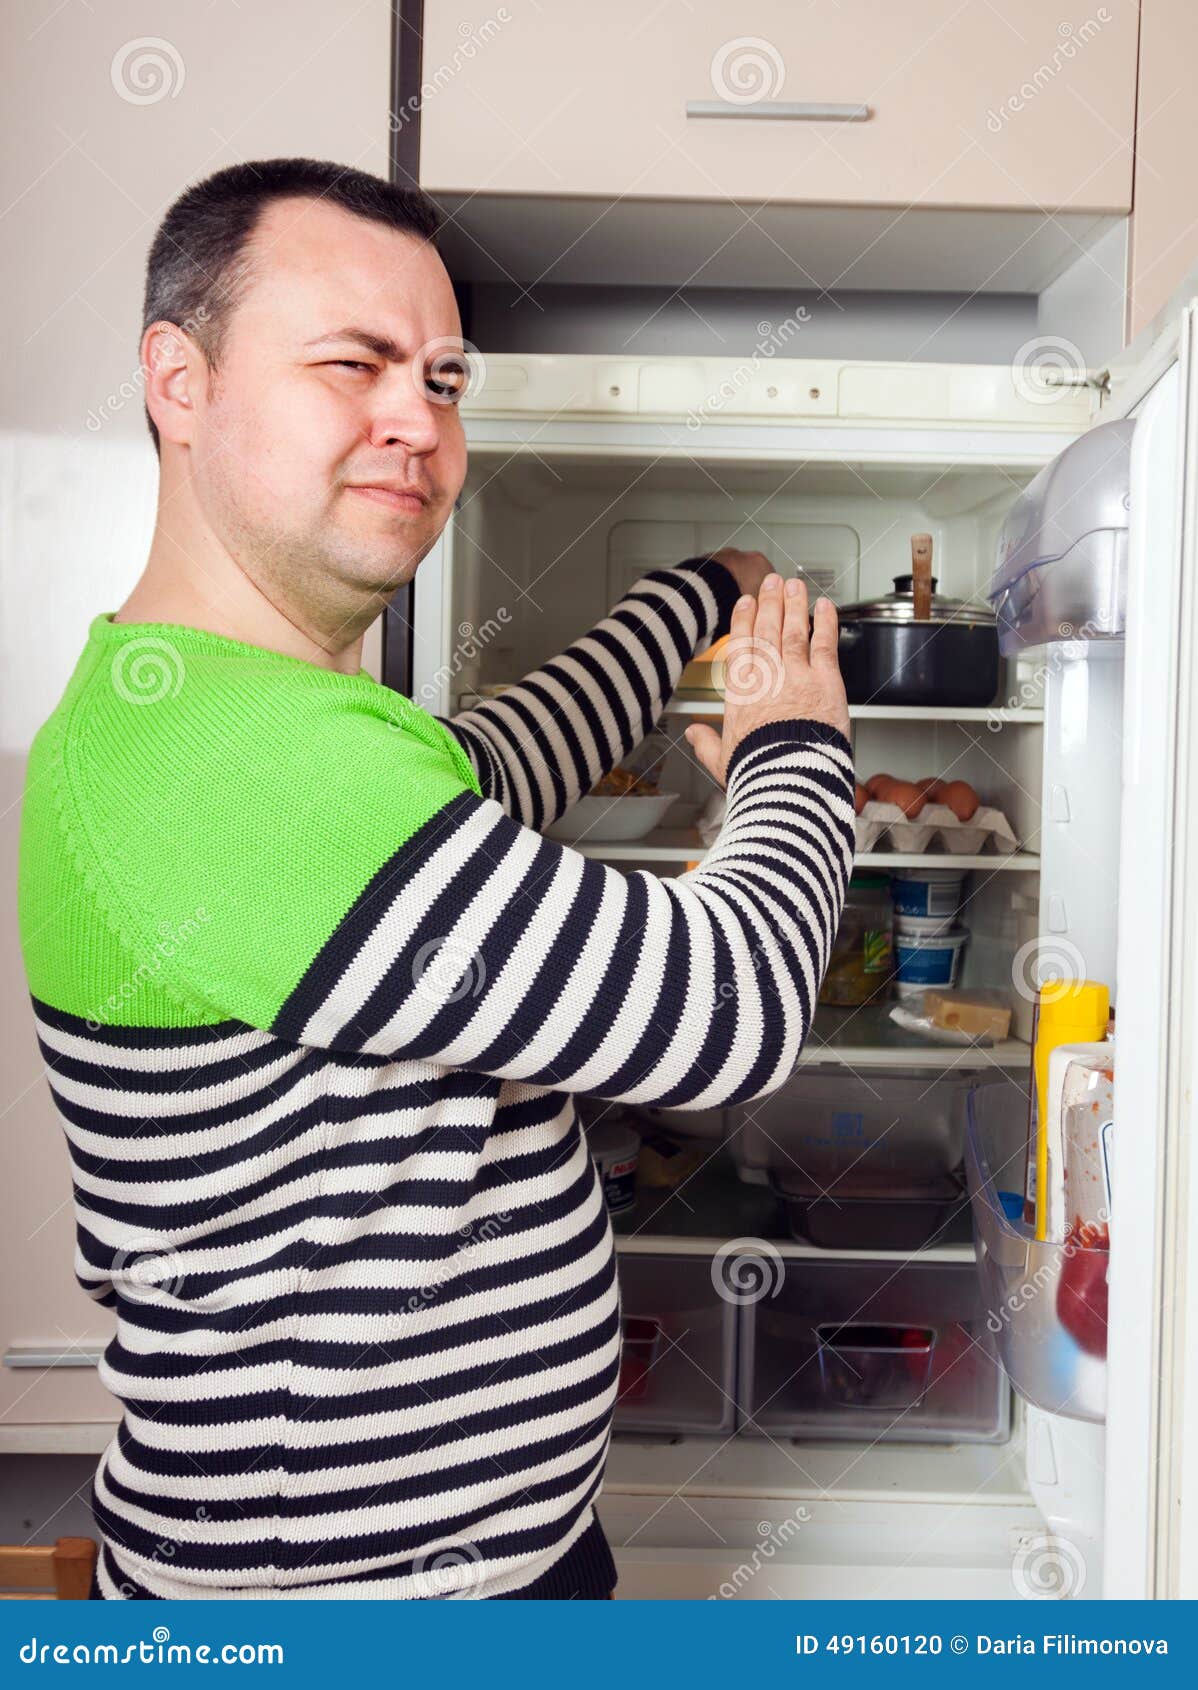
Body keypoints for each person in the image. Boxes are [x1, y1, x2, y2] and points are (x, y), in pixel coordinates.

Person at [16, 159, 855, 1601]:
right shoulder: (229, 760)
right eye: (352, 364)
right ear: (180, 380)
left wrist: (699, 593)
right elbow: (730, 1011)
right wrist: (795, 742)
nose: (417, 419)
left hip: (457, 1565)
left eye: (443, 378)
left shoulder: (233, 718)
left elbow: (500, 761)